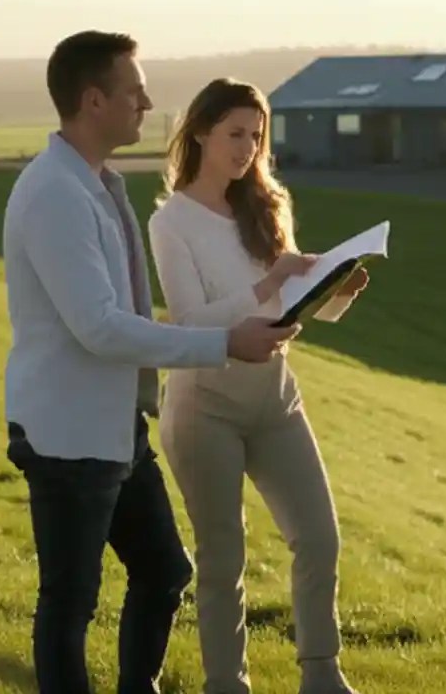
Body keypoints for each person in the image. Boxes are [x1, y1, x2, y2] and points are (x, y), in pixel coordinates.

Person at [1, 32, 299, 694]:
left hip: (115, 430)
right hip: (68, 435)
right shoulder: (55, 195)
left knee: (164, 570)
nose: (148, 103)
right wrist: (223, 344)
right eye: (134, 92)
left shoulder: (99, 184)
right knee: (70, 605)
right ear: (94, 99)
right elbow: (101, 329)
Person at [147, 78, 369, 694]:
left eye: (257, 135)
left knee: (319, 538)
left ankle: (322, 675)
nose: (248, 148)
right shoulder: (172, 225)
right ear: (199, 134)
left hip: (275, 399)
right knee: (223, 560)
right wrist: (271, 283)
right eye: (235, 134)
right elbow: (188, 323)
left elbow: (292, 297)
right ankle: (227, 683)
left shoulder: (267, 203)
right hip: (204, 407)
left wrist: (334, 288)